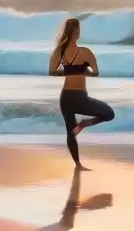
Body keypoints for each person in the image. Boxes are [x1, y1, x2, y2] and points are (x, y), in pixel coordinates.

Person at [48, 17, 115, 168]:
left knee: (70, 132)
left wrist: (69, 71)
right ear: (76, 31)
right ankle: (84, 124)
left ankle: (78, 164)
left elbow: (51, 71)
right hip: (79, 97)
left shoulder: (60, 51)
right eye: (79, 29)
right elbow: (95, 72)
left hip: (65, 97)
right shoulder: (85, 52)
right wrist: (83, 71)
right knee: (109, 113)